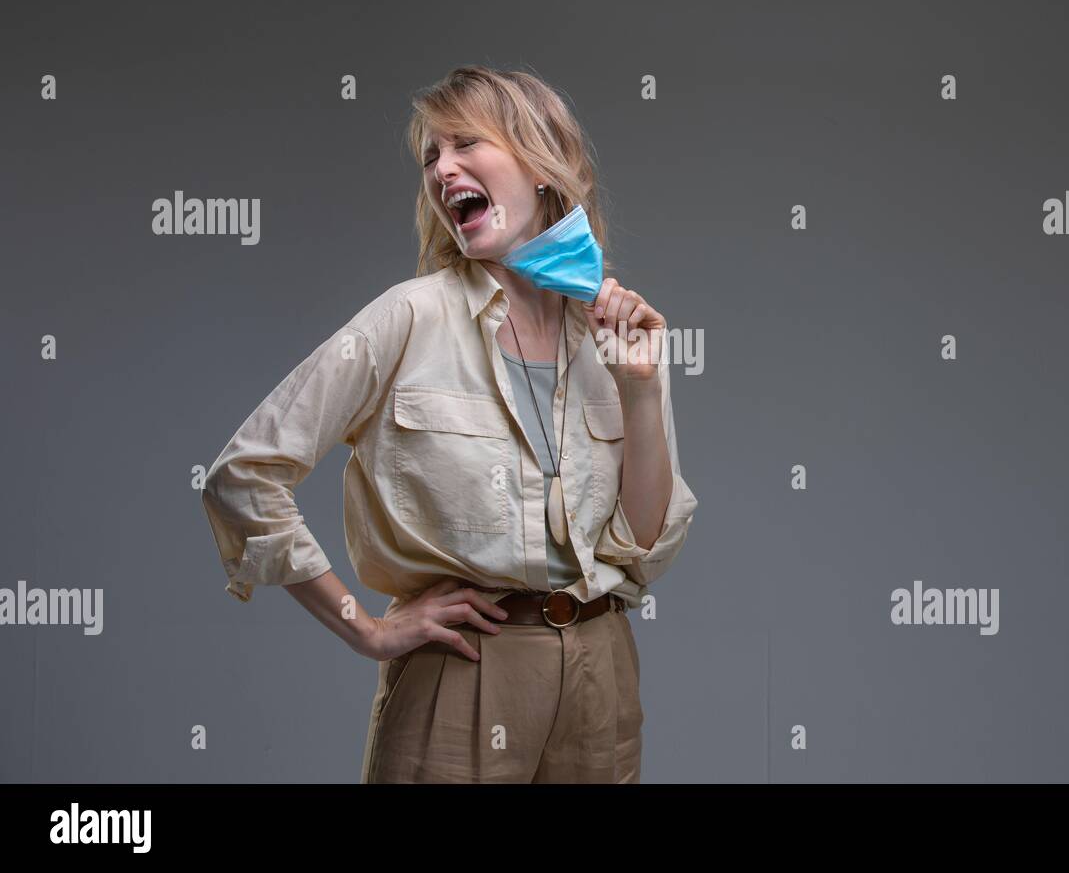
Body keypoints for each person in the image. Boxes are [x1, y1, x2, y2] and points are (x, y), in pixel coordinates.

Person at [199, 65, 698, 783]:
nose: (442, 168)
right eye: (431, 155)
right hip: (465, 669)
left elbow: (645, 544)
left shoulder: (613, 334)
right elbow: (242, 476)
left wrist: (641, 390)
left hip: (603, 668)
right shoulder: (408, 317)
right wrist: (365, 628)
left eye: (466, 142)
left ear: (541, 161)